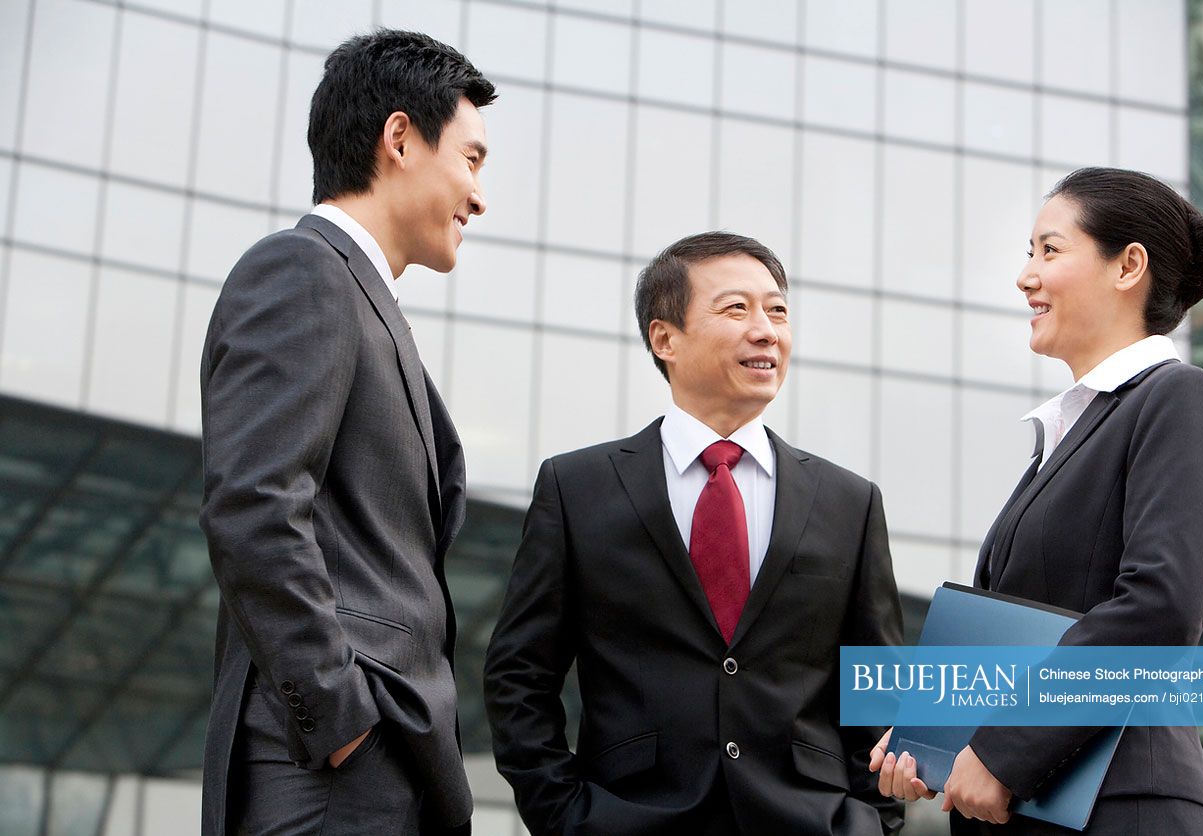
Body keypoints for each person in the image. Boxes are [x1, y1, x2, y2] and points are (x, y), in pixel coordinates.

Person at [483, 231, 905, 835]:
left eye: (777, 311)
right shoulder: (577, 488)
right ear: (665, 338)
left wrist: (872, 822)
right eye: (737, 309)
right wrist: (566, 818)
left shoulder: (849, 502)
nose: (766, 330)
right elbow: (519, 675)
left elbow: (876, 687)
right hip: (627, 820)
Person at [871, 167, 1203, 835]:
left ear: (1128, 265)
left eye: (1049, 250)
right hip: (1038, 809)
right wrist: (925, 740)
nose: (1025, 276)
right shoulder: (1069, 434)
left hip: (1124, 808)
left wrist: (1002, 750)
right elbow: (1027, 625)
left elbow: (1159, 607)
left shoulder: (1181, 399)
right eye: (1028, 252)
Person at [199, 29, 495, 836]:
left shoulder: (358, 296)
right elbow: (254, 505)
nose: (478, 196)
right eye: (471, 160)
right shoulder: (301, 271)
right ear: (400, 138)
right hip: (327, 768)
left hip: (381, 766)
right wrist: (341, 719)